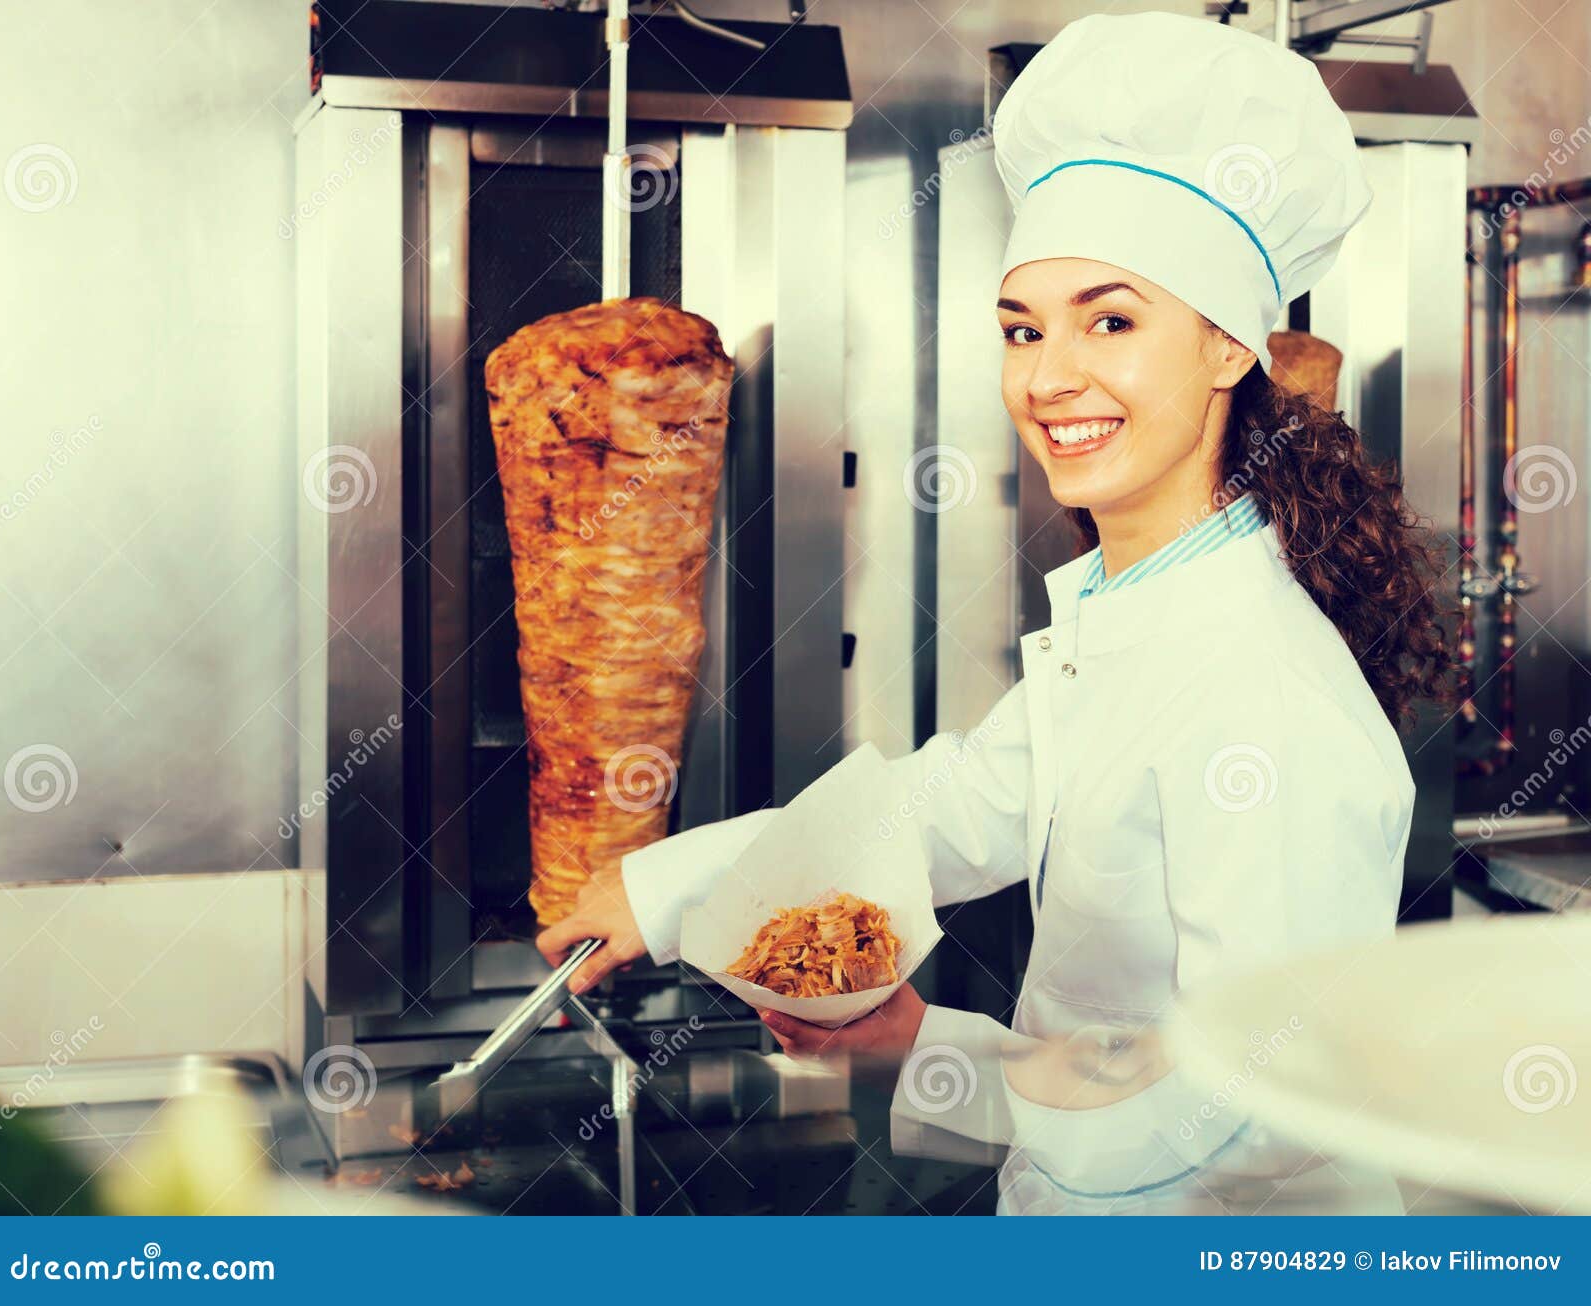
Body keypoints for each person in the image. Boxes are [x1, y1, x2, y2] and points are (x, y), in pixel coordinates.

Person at [540, 10, 1455, 1214]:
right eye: (1023, 328)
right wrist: (669, 892)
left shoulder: (1262, 690)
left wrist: (933, 1052)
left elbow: (1242, 1103)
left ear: (1230, 346)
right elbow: (960, 799)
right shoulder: (1140, 618)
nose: (1047, 374)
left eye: (1110, 320)